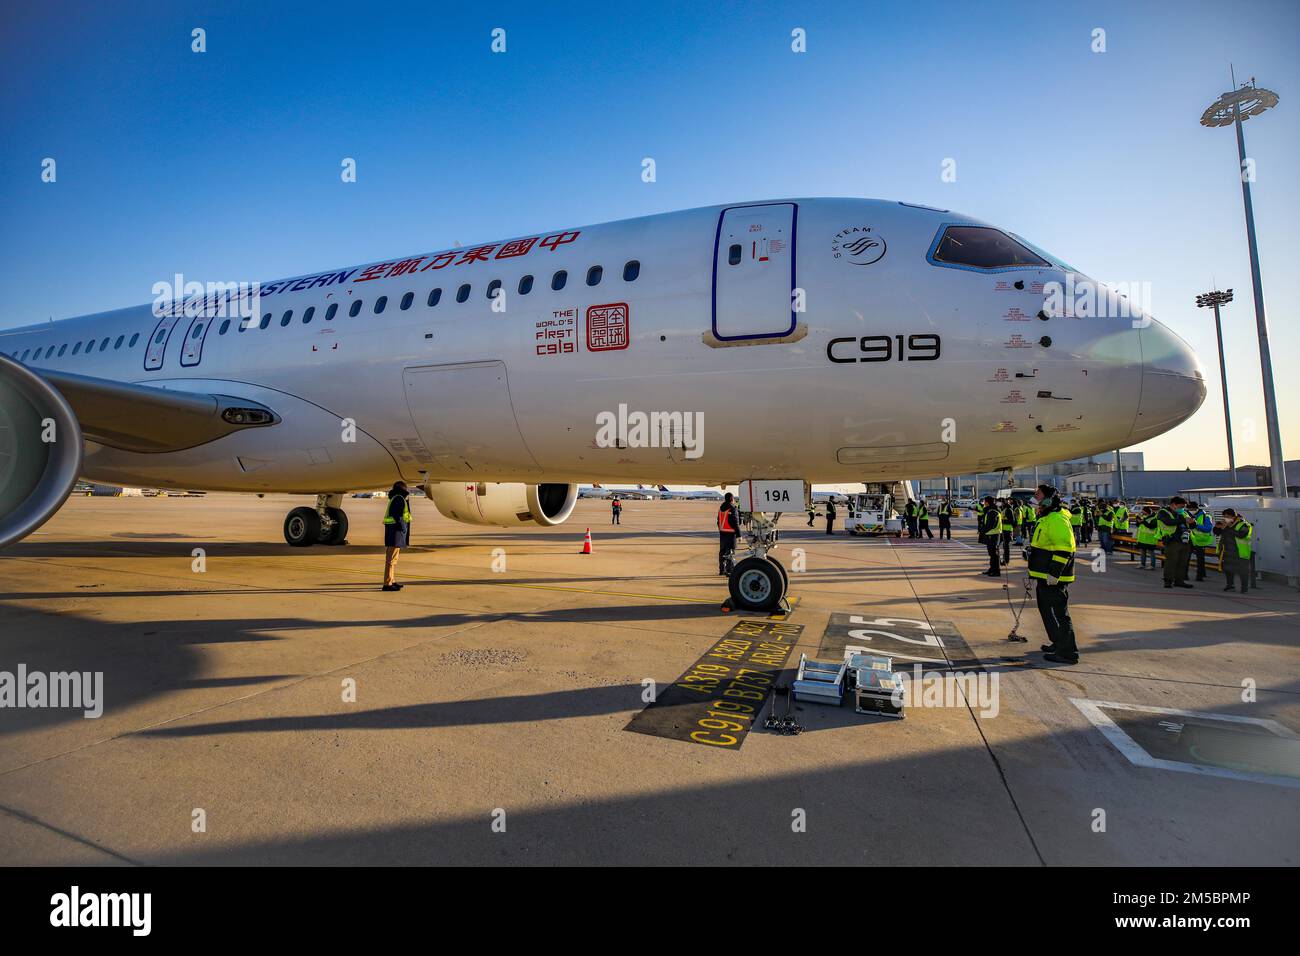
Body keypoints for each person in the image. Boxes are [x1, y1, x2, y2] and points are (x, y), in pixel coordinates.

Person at [1027, 484, 1079, 664]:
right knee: (1047, 612)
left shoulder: (1057, 519)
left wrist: (1054, 573)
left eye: (1038, 494)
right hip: (1043, 576)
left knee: (1058, 613)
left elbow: (1065, 548)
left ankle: (1067, 652)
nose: (1035, 498)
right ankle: (1057, 642)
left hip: (1053, 578)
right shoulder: (1046, 518)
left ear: (1048, 499)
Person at [1157, 496, 1193, 589]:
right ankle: (1168, 581)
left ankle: (1179, 581)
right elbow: (1168, 522)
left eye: (1184, 507)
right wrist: (1184, 520)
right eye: (1181, 506)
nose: (1182, 509)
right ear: (1173, 505)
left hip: (1185, 540)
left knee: (1183, 562)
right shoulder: (1163, 512)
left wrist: (1192, 521)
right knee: (1171, 562)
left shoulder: (1184, 513)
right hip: (1172, 541)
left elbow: (1192, 523)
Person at [381, 480, 411, 592]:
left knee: (393, 559)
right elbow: (397, 515)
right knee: (390, 560)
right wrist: (403, 527)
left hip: (394, 532)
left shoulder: (396, 498)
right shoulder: (399, 498)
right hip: (395, 532)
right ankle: (387, 583)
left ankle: (391, 580)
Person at [1216, 508, 1254, 593]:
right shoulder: (1226, 524)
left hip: (1240, 552)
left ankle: (1244, 588)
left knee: (1243, 571)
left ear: (1234, 516)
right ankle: (1230, 586)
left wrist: (1228, 528)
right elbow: (1217, 533)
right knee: (1228, 570)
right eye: (1224, 516)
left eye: (1228, 516)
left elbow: (1242, 535)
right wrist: (1218, 527)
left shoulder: (1243, 524)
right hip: (1227, 551)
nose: (1226, 518)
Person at [1187, 501, 1214, 582]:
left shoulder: (1206, 516)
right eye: (1189, 509)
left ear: (1197, 508)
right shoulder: (1186, 515)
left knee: (1200, 560)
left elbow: (1208, 528)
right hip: (1189, 540)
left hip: (1200, 541)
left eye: (1192, 509)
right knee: (1186, 558)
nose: (1190, 510)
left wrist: (1196, 525)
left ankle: (1200, 576)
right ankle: (1184, 575)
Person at [978, 495, 1001, 576]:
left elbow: (990, 525)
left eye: (984, 502)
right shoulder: (991, 510)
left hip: (993, 534)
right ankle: (992, 568)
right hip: (991, 534)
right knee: (992, 554)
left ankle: (996, 571)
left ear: (987, 502)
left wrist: (982, 531)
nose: (984, 503)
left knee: (994, 554)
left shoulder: (992, 511)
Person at [717, 493, 739, 575]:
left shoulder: (721, 508)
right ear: (731, 499)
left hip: (722, 533)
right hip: (731, 534)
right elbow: (735, 522)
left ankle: (722, 570)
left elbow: (718, 521)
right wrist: (739, 534)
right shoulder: (732, 508)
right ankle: (729, 570)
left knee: (722, 552)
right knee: (730, 552)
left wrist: (721, 529)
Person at [999, 498, 1015, 565]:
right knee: (1000, 545)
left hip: (1007, 531)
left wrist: (1002, 521)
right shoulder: (1003, 509)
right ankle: (1003, 560)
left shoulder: (1008, 510)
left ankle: (1006, 561)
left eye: (999, 502)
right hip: (1002, 530)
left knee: (1006, 546)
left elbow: (1012, 521)